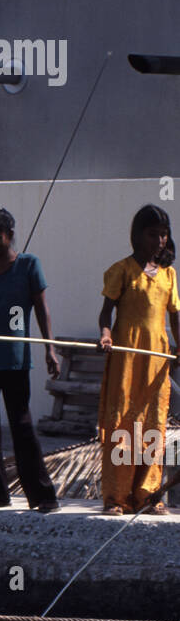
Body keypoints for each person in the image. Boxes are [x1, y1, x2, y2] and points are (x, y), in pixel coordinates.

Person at [0, 207, 60, 512]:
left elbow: (41, 310)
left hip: (14, 358)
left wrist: (49, 348)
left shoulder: (29, 265)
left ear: (9, 234)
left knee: (21, 424)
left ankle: (43, 496)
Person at [98, 204, 179, 515]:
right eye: (152, 234)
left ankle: (148, 495)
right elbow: (106, 313)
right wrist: (106, 335)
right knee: (124, 424)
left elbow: (175, 317)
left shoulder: (169, 275)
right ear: (137, 235)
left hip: (157, 360)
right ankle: (116, 498)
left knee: (153, 425)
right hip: (127, 357)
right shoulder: (122, 270)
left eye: (163, 235)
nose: (158, 240)